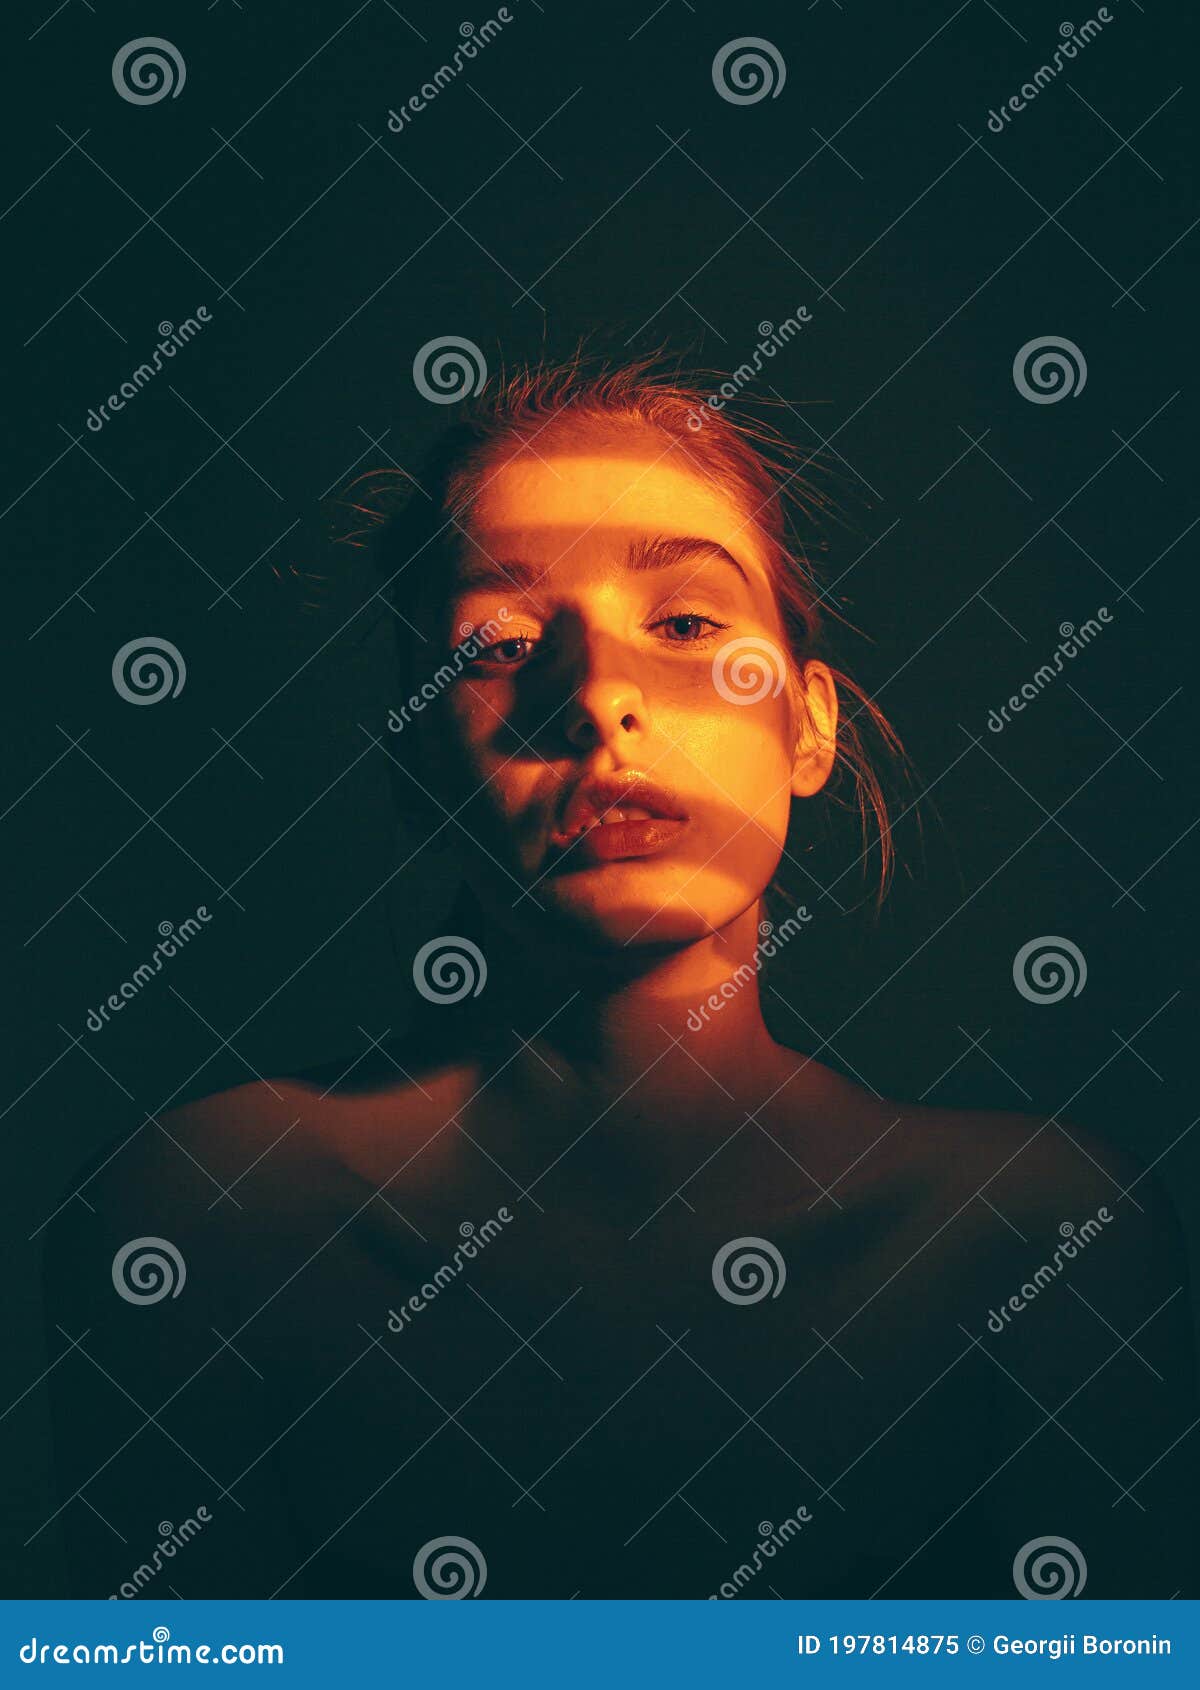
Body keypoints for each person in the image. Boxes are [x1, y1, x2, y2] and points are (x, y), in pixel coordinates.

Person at [43, 357, 1197, 1600]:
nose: (598, 699)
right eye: (502, 641)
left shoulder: (1040, 1241)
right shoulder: (210, 1218)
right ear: (419, 758)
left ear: (808, 725)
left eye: (690, 625)